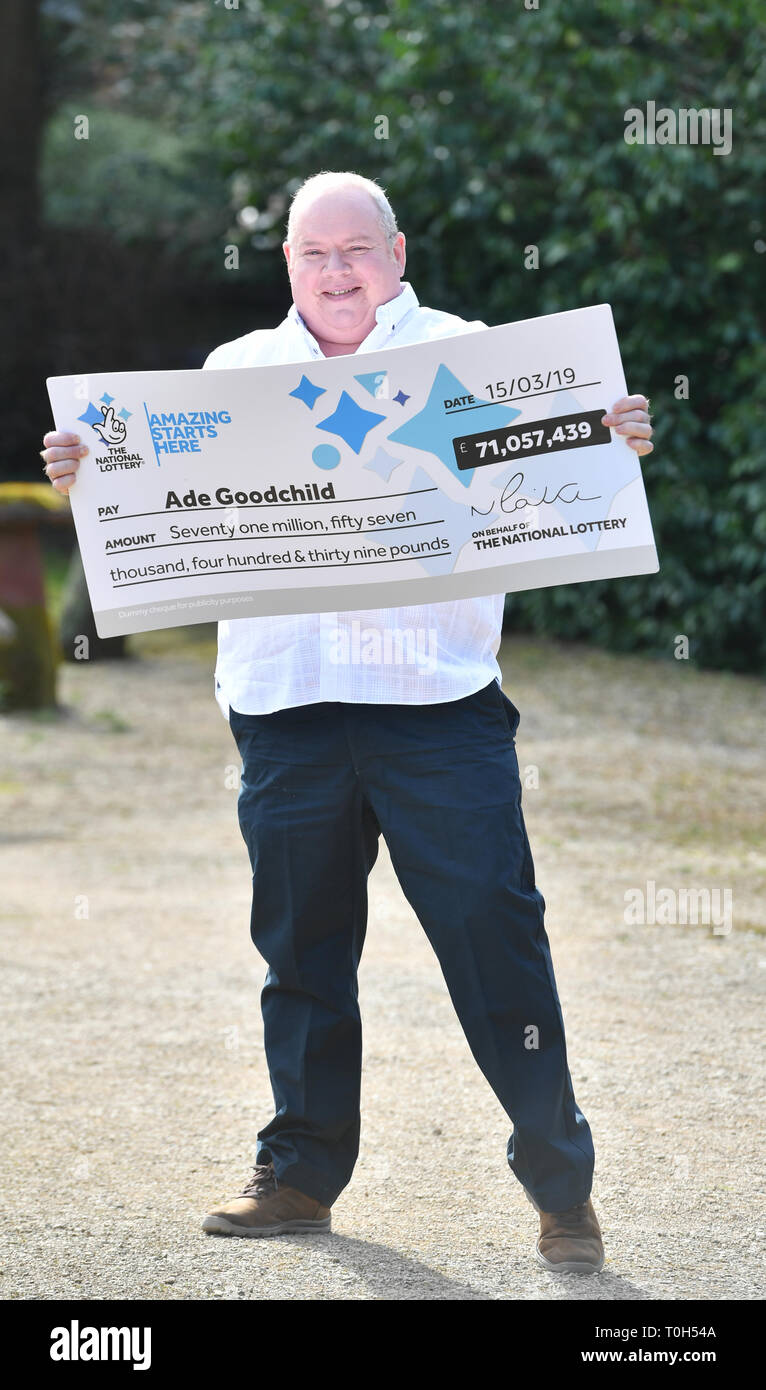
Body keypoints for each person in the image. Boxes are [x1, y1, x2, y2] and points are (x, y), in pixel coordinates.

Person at [42, 171, 654, 1275]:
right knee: (301, 952)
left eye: (355, 249)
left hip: (437, 707)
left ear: (397, 252)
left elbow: (560, 463)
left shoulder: (471, 360)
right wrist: (85, 473)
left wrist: (610, 435)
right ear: (287, 263)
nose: (336, 270)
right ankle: (301, 1174)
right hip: (285, 711)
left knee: (496, 943)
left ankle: (563, 1188)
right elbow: (151, 503)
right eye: (313, 252)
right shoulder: (234, 379)